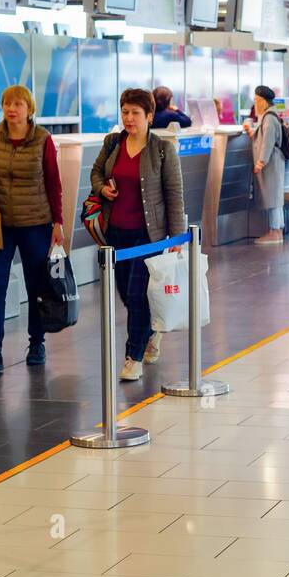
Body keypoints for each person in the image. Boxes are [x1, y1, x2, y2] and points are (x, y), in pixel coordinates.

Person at [90, 88, 187, 380]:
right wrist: (102, 188)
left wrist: (176, 238)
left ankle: (133, 356)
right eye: (124, 112)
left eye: (135, 113)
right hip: (115, 233)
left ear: (149, 116)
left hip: (149, 235)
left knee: (137, 294)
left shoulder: (161, 149)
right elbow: (95, 173)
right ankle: (152, 330)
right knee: (124, 292)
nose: (128, 118)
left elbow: (174, 194)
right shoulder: (113, 143)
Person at [0, 85, 63, 374]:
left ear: (29, 109)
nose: (12, 109)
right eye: (8, 104)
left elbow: (53, 182)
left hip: (35, 222)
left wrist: (57, 222)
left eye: (18, 104)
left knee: (36, 286)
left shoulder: (42, 139)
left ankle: (37, 343)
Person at [246, 85, 287, 245]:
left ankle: (274, 231)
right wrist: (250, 131)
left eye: (257, 100)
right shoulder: (268, 116)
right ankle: (277, 230)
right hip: (272, 162)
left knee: (273, 199)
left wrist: (260, 162)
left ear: (263, 101)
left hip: (271, 163)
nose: (255, 104)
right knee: (273, 197)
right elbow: (261, 138)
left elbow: (267, 142)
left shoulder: (269, 117)